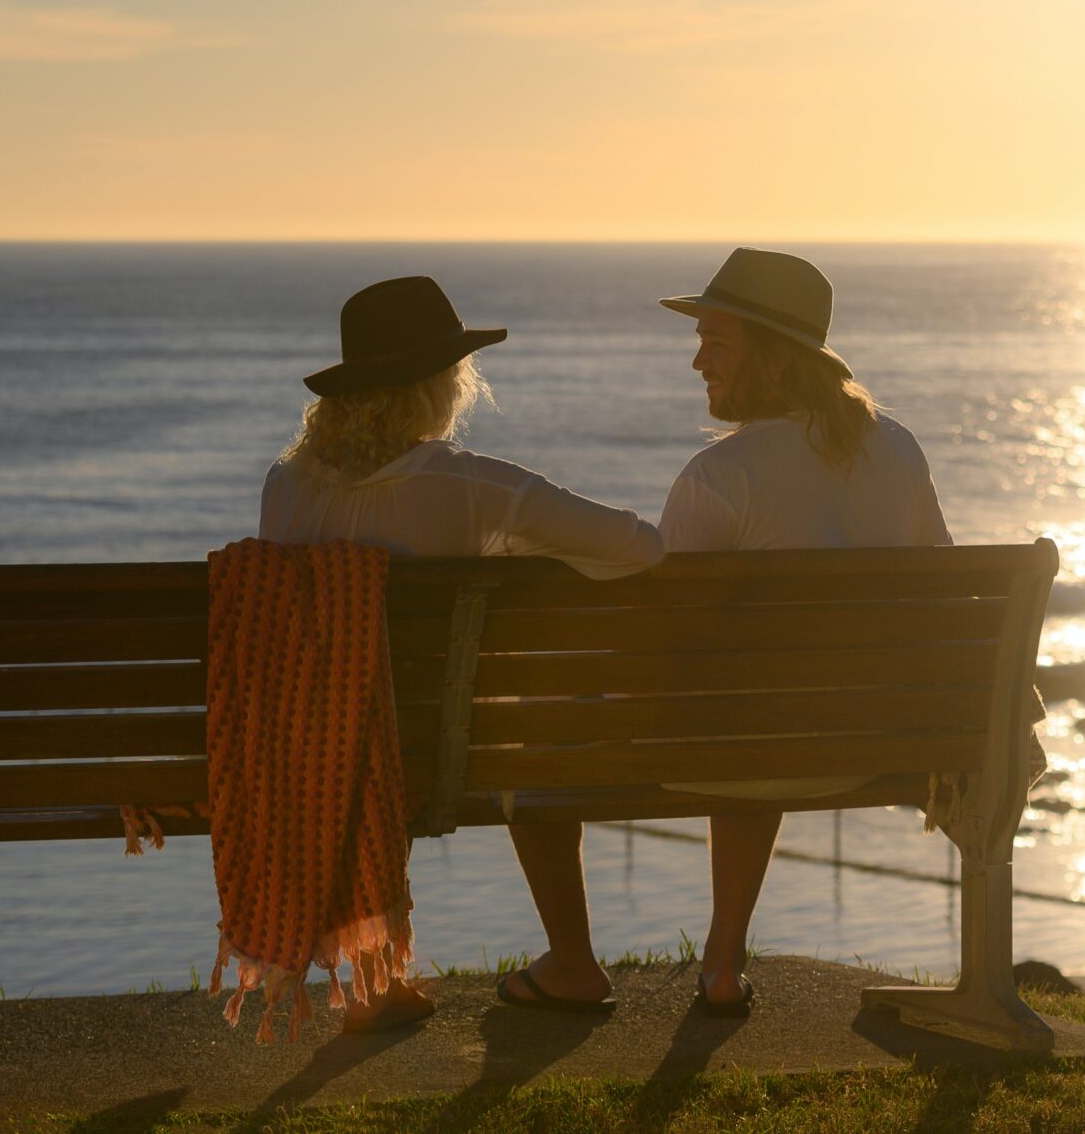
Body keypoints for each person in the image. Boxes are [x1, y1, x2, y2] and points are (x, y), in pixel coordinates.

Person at [503, 247, 951, 1018]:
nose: (696, 360)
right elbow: (941, 603)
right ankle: (721, 961)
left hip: (747, 745)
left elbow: (664, 648)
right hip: (875, 744)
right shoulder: (899, 448)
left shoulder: (722, 475)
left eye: (716, 342)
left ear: (773, 360)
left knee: (533, 738)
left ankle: (573, 962)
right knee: (760, 705)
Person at [260, 274, 663, 1029]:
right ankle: (570, 957)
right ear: (438, 386)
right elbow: (639, 545)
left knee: (361, 699)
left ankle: (377, 979)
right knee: (536, 731)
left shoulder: (285, 486)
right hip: (441, 754)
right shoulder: (472, 486)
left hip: (306, 756)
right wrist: (513, 544)